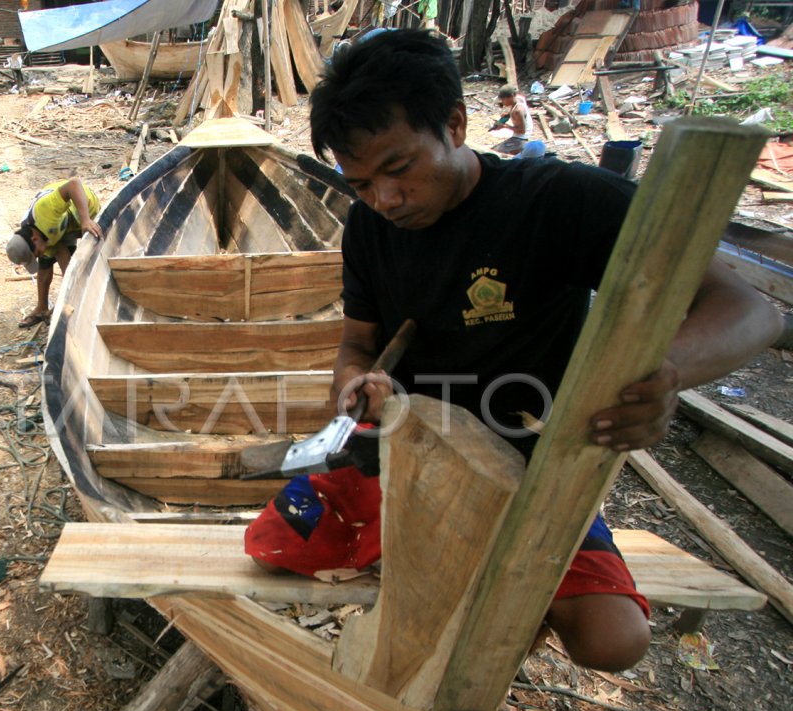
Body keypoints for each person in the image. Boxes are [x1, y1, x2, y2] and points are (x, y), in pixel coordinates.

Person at [245, 29, 782, 673]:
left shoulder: (556, 201)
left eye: (398, 169)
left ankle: (473, 585)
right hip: (411, 453)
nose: (384, 200)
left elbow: (752, 311)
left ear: (455, 123)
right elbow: (358, 344)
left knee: (613, 640)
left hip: (532, 462)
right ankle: (451, 578)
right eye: (359, 184)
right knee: (274, 546)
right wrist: (358, 383)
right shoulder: (369, 226)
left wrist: (663, 377)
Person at [6, 178, 102, 328]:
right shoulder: (34, 236)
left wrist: (85, 220)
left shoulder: (45, 211)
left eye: (36, 252)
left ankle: (79, 302)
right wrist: (64, 301)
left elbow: (74, 184)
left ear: (35, 239)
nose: (39, 254)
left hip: (83, 205)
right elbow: (62, 258)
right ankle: (41, 307)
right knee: (47, 263)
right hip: (59, 227)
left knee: (81, 257)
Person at [489, 84, 533, 155]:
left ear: (511, 96)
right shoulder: (519, 98)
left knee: (493, 153)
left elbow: (522, 131)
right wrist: (508, 114)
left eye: (503, 99)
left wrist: (504, 126)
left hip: (521, 139)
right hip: (519, 137)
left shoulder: (518, 111)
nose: (502, 102)